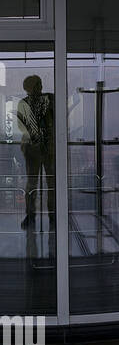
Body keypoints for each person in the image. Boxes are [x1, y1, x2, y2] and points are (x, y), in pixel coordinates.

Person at [12, 74, 49, 229]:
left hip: (45, 148)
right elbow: (21, 126)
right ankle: (31, 215)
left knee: (48, 182)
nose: (40, 87)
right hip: (34, 148)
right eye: (37, 85)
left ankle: (49, 215)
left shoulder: (47, 101)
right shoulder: (25, 104)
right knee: (32, 183)